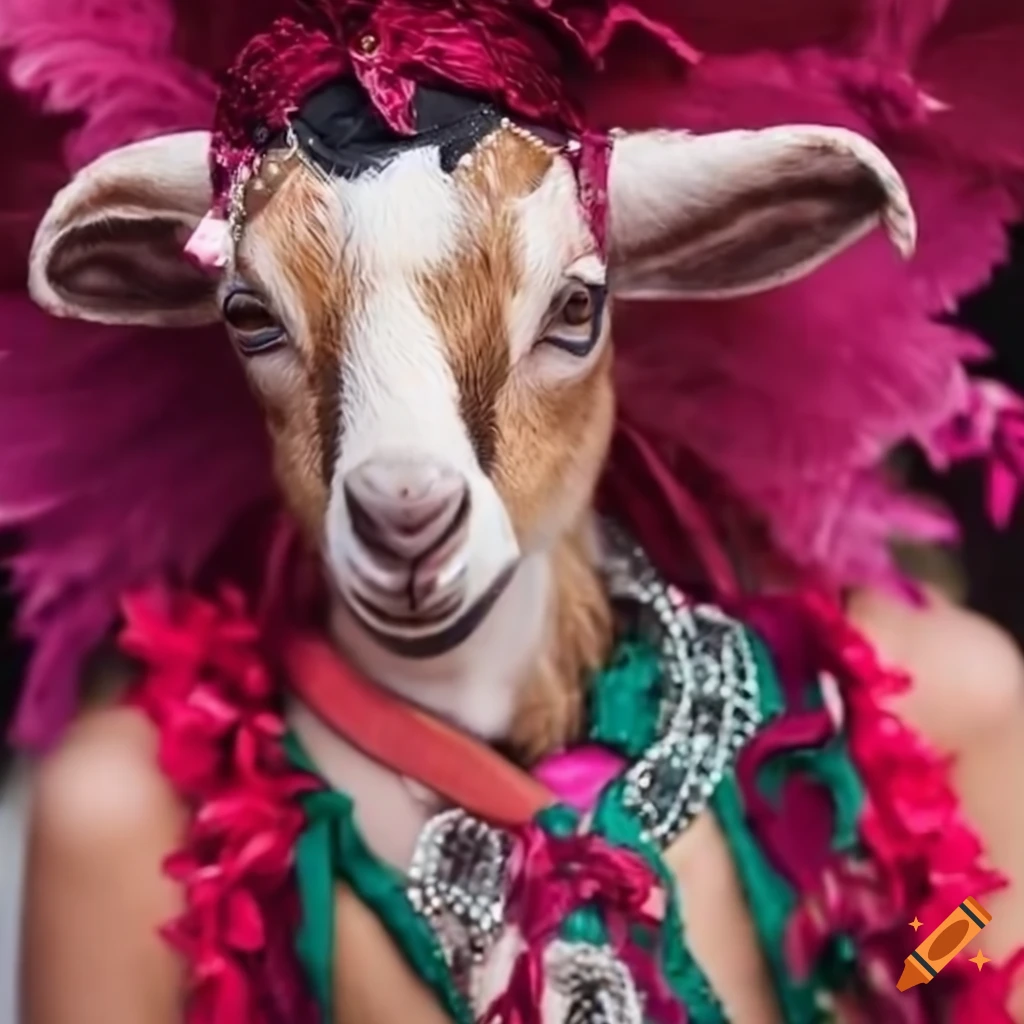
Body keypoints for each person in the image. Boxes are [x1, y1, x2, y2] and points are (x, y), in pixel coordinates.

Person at [4, 1, 1024, 1021]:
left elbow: (978, 934)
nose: (409, 490)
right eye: (263, 318)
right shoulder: (135, 830)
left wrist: (910, 977)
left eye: (566, 308)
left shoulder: (929, 708)